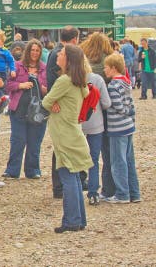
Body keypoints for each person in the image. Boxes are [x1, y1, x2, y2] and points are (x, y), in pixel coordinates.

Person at [42, 44, 93, 233]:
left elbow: (46, 101)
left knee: (68, 177)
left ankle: (71, 220)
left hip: (64, 134)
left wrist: (53, 102)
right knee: (75, 177)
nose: (58, 55)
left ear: (68, 59)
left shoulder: (64, 80)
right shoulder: (78, 80)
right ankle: (78, 219)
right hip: (73, 132)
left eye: (62, 53)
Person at [3, 39, 48, 179]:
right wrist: (20, 85)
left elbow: (49, 88)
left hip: (38, 111)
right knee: (18, 140)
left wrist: (42, 87)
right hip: (19, 109)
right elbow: (7, 85)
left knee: (35, 141)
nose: (34, 53)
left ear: (40, 52)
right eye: (32, 50)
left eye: (37, 50)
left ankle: (33, 170)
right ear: (27, 51)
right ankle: (12, 170)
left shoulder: (44, 68)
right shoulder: (17, 66)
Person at [103, 53, 142, 204]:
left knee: (118, 162)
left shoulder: (113, 85)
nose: (105, 70)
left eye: (106, 67)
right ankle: (134, 193)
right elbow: (130, 104)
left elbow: (117, 106)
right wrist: (130, 116)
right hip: (128, 126)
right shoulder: (126, 82)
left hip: (117, 127)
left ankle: (122, 194)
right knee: (129, 160)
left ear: (113, 68)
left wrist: (123, 112)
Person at [47, 25, 79, 198]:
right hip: (60, 105)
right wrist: (55, 101)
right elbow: (54, 80)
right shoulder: (60, 53)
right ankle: (59, 186)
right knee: (61, 146)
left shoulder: (58, 51)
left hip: (62, 102)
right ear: (75, 39)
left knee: (65, 144)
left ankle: (66, 183)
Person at [81, 58, 111, 205]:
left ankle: (75, 187)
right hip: (95, 123)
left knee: (76, 158)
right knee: (93, 159)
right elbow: (106, 103)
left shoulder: (70, 79)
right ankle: (93, 193)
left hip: (77, 124)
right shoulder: (97, 79)